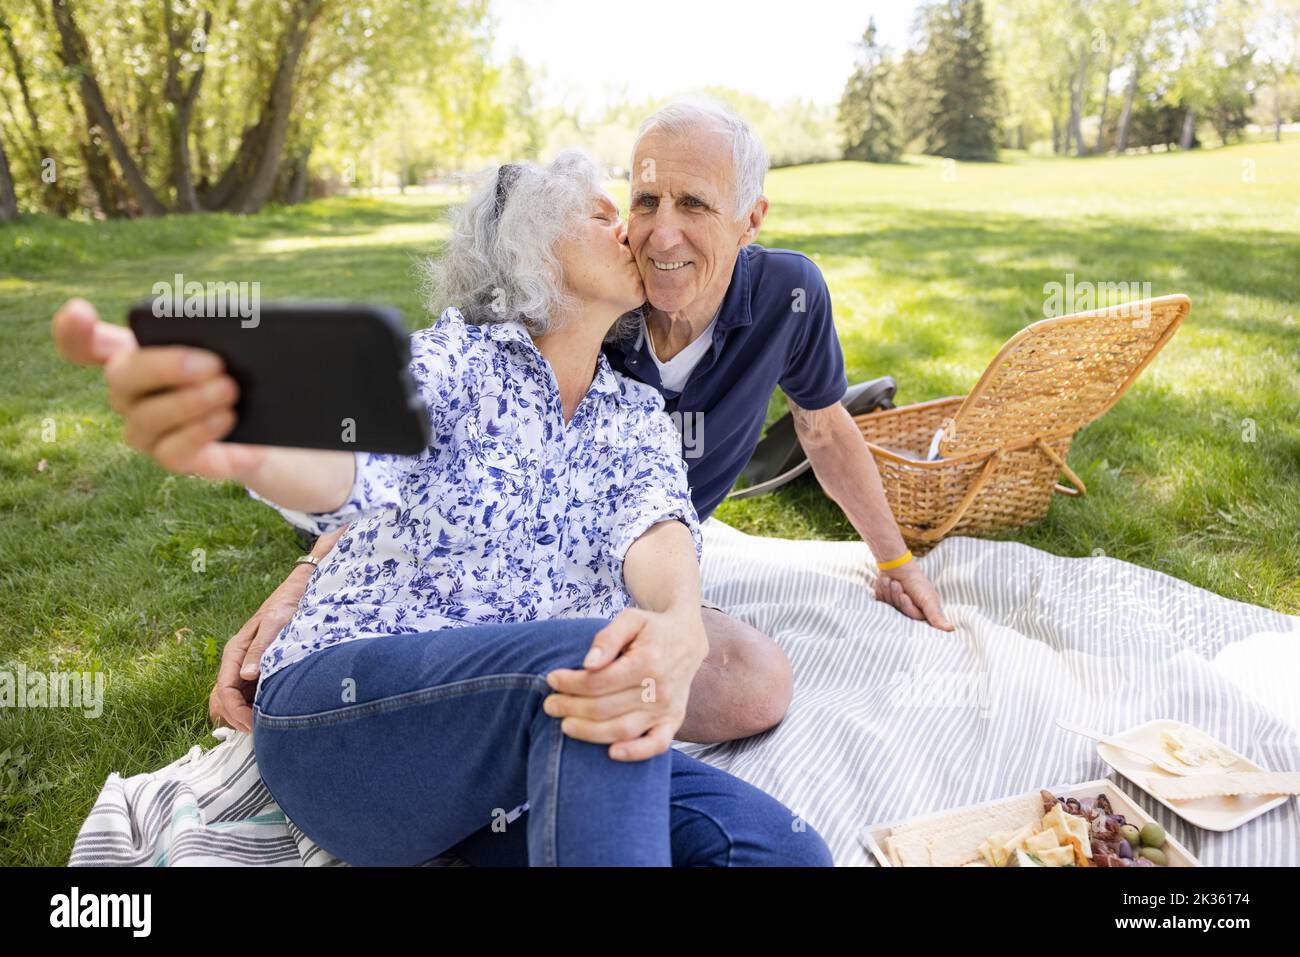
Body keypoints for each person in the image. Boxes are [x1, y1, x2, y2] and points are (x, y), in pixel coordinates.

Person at [52, 150, 833, 867]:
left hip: (504, 778)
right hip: (346, 732)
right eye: (601, 216)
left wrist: (678, 621)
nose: (631, 228)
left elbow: (658, 531)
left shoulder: (632, 414)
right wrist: (253, 433)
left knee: (781, 852)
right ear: (529, 252)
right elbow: (354, 451)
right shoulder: (458, 360)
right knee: (600, 663)